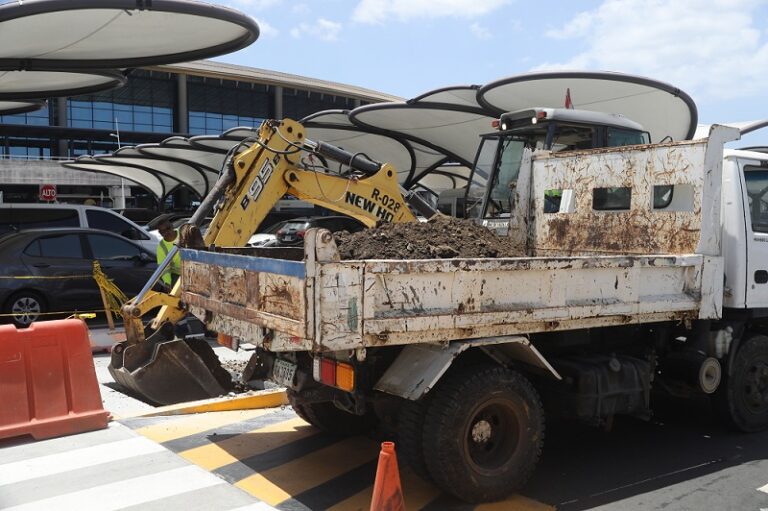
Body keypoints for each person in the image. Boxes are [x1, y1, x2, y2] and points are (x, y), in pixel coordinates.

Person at [156, 218, 181, 290]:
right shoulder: (161, 246)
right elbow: (164, 268)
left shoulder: (183, 234)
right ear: (160, 233)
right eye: (163, 231)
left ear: (172, 226)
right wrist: (167, 282)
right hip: (177, 276)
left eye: (168, 228)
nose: (167, 232)